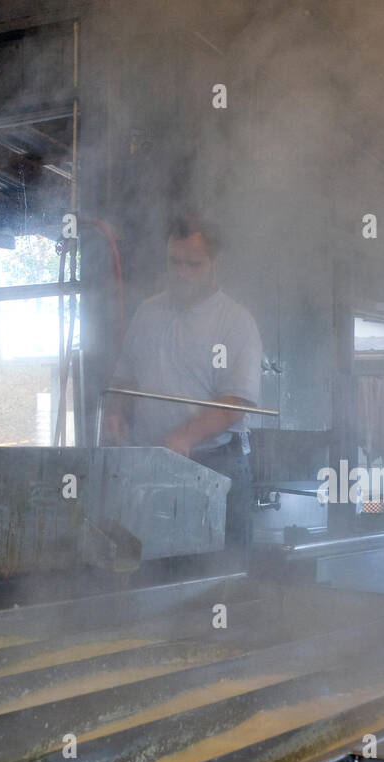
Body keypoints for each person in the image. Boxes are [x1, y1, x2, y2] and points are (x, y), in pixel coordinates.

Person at [103, 215, 263, 561]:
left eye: (193, 264)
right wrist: (115, 412)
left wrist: (186, 436)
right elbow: (125, 378)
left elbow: (235, 400)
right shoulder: (148, 313)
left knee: (217, 579)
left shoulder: (235, 322)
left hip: (216, 466)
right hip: (150, 465)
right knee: (150, 572)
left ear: (215, 265)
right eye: (175, 262)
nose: (182, 272)